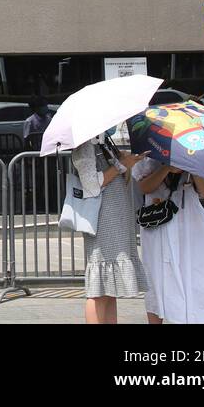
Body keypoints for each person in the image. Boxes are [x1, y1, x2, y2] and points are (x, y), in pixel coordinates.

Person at [70, 136, 148, 324]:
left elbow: (120, 177)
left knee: (109, 289)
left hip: (115, 218)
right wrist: (120, 166)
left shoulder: (104, 144)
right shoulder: (85, 145)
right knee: (99, 290)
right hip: (103, 220)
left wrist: (126, 163)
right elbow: (91, 184)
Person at [133, 160, 204, 324]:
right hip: (157, 223)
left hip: (191, 225)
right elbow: (144, 187)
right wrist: (167, 168)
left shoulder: (200, 154)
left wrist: (191, 167)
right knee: (157, 279)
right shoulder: (150, 155)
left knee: (195, 279)